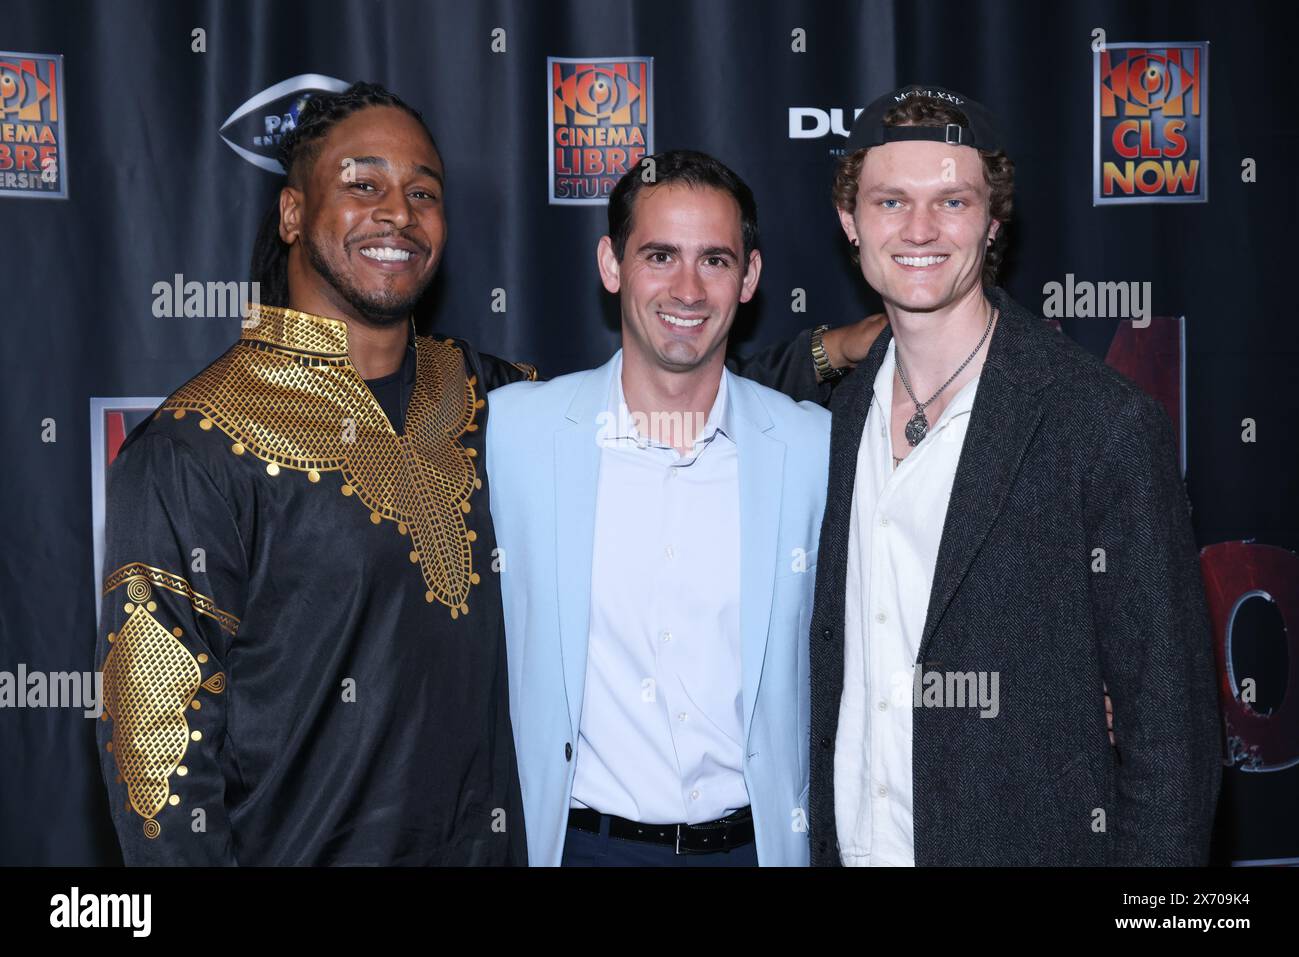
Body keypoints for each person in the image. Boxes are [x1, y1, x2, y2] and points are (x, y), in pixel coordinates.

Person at [95, 82, 535, 864]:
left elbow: (666, 395)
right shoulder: (193, 445)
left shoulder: (493, 399)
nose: (398, 212)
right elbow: (156, 757)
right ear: (293, 213)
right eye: (362, 184)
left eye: (423, 192)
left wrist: (822, 357)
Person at [807, 85, 1221, 866]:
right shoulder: (836, 420)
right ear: (850, 221)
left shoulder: (1100, 423)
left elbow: (1174, 736)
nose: (920, 229)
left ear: (993, 221)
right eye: (890, 200)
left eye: (951, 200)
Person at [487, 151, 829, 865]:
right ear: (612, 265)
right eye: (660, 255)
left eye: (714, 260)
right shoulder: (515, 434)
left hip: (756, 848)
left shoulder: (813, 449)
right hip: (581, 847)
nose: (688, 288)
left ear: (750, 278)